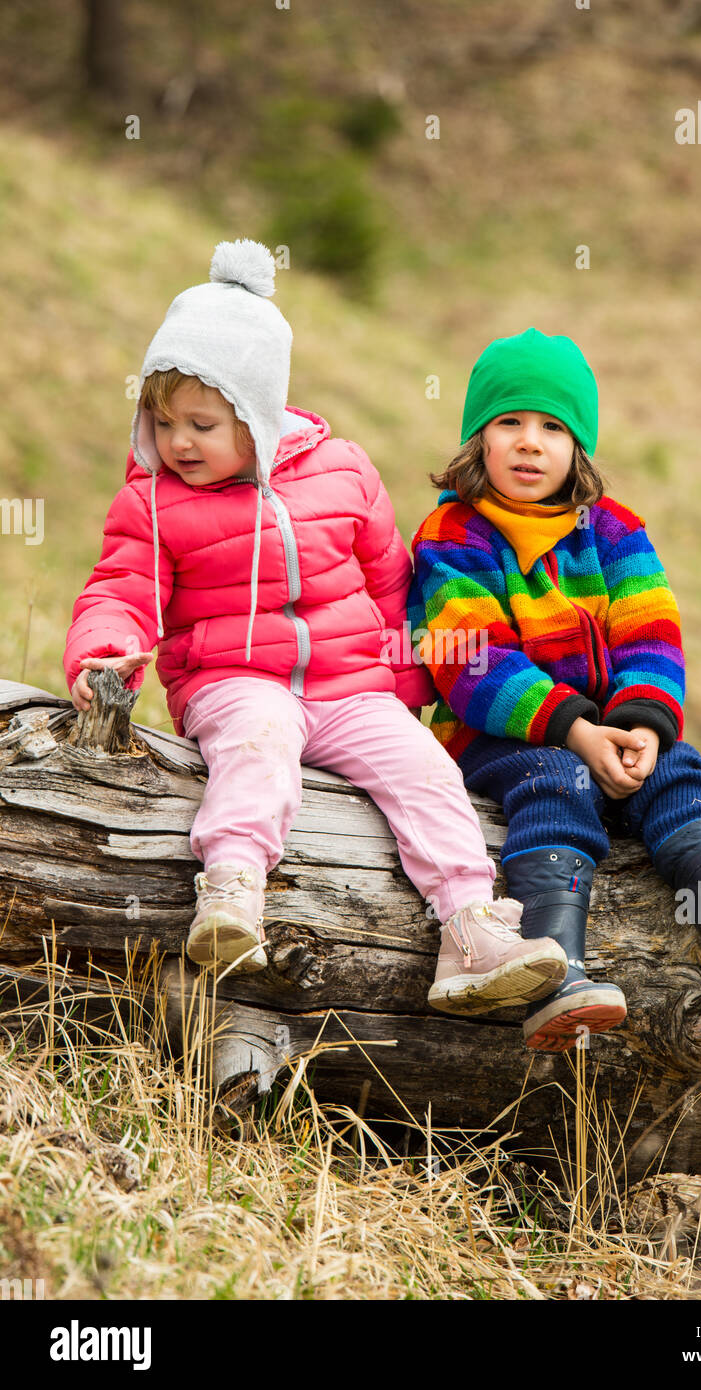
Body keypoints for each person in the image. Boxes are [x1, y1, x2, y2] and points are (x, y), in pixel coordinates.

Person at [64, 245, 569, 1015]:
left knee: (428, 776)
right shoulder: (154, 502)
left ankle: (470, 931)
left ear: (259, 413)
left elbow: (390, 584)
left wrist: (404, 688)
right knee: (258, 745)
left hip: (350, 690)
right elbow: (121, 587)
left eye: (202, 423)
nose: (179, 443)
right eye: (162, 422)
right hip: (231, 680)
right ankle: (231, 895)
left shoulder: (344, 471)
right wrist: (105, 653)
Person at [408, 327, 701, 1052]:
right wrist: (576, 730)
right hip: (500, 738)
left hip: (612, 729)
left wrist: (642, 726)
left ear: (576, 447)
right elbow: (468, 660)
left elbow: (651, 635)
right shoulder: (452, 535)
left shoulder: (612, 531)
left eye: (552, 426)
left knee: (676, 771)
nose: (529, 442)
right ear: (476, 439)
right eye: (508, 422)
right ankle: (557, 974)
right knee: (558, 781)